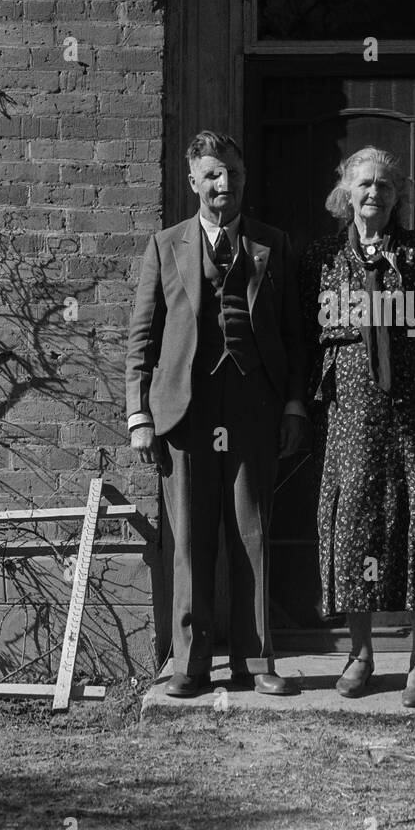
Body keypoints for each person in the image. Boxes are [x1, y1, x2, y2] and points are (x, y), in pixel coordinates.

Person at [126, 131, 307, 697]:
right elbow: (141, 340)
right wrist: (139, 417)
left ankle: (256, 661)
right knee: (191, 540)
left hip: (254, 407)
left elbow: (295, 336)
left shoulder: (273, 244)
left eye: (230, 172)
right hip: (185, 411)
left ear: (243, 176)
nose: (222, 183)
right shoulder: (165, 246)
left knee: (251, 533)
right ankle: (191, 663)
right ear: (193, 181)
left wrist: (295, 405)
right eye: (211, 174)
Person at [299, 147, 415, 707]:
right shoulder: (323, 258)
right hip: (351, 422)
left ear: (398, 197)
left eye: (386, 187)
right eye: (365, 184)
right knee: (356, 529)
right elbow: (305, 334)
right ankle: (360, 652)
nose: (374, 194)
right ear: (345, 194)